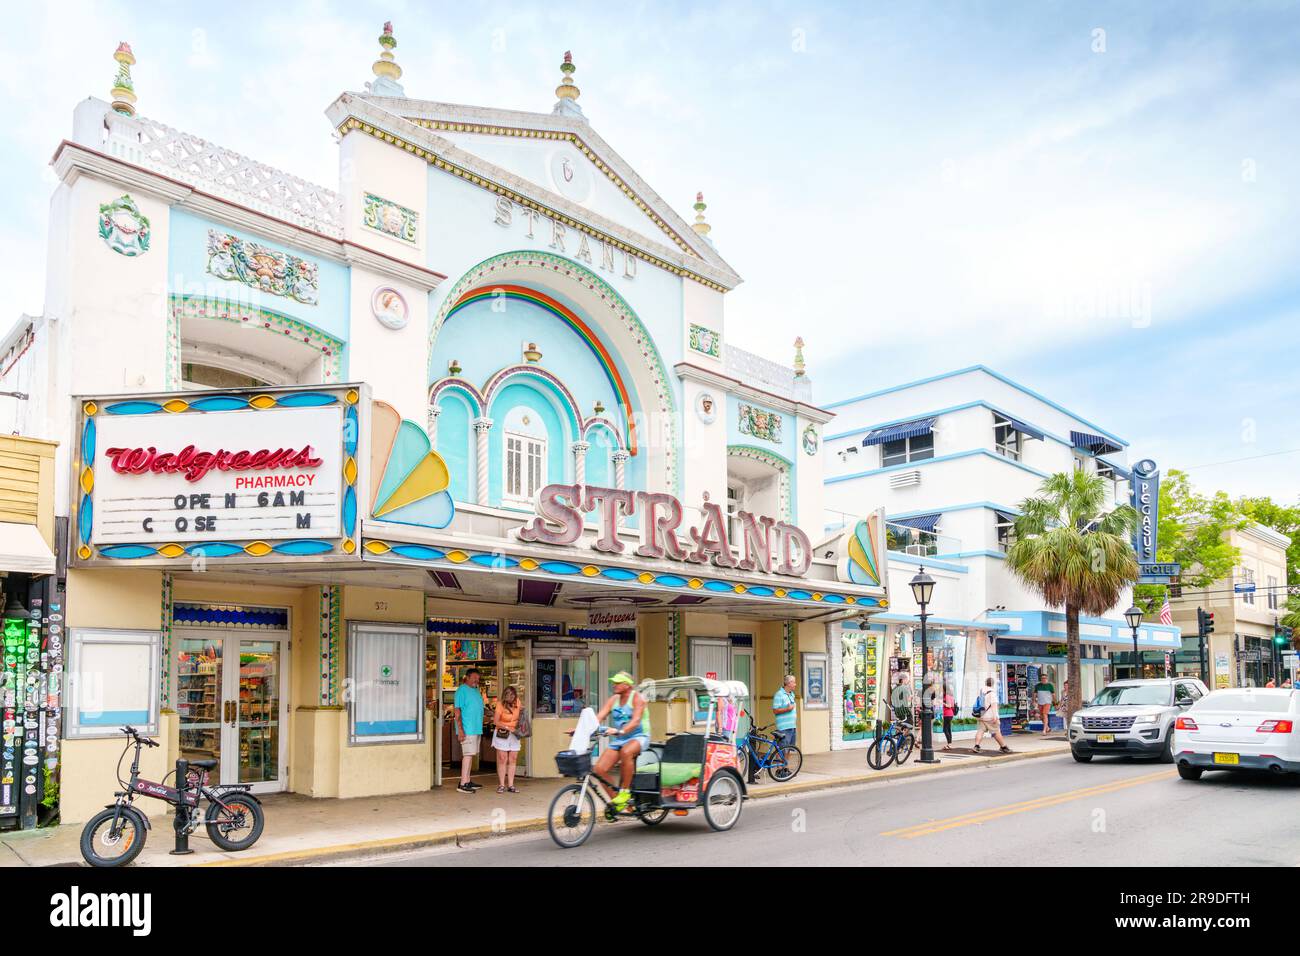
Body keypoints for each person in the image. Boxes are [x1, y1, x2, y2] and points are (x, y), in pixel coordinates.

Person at [592, 672, 650, 810]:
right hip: (621, 738)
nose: (614, 685)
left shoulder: (638, 698)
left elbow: (636, 721)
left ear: (627, 685)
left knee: (626, 752)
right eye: (614, 682)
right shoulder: (614, 700)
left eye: (618, 683)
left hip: (639, 736)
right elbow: (598, 717)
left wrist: (620, 731)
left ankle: (625, 792)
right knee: (599, 769)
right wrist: (580, 729)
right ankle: (617, 801)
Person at [453, 669, 487, 794]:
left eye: (478, 678)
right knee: (467, 755)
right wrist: (461, 730)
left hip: (476, 728)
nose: (476, 681)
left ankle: (467, 780)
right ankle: (462, 784)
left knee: (471, 754)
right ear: (467, 677)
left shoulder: (476, 690)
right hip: (467, 729)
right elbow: (457, 711)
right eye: (474, 678)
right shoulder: (461, 690)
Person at [492, 685, 523, 794]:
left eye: (513, 696)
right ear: (505, 696)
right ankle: (501, 784)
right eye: (509, 696)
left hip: (514, 733)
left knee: (513, 758)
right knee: (502, 758)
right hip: (502, 733)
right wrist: (507, 727)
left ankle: (511, 785)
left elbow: (520, 717)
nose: (512, 698)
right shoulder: (500, 705)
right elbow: (496, 721)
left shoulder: (518, 703)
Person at [972, 676, 1012, 754]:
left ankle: (976, 746)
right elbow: (994, 706)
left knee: (980, 731)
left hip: (981, 716)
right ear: (993, 684)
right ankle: (1003, 747)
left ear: (985, 683)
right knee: (996, 732)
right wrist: (995, 716)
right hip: (990, 717)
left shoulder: (981, 691)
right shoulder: (992, 693)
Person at [772, 675, 798, 749]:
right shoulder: (779, 694)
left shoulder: (792, 694)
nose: (795, 684)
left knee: (790, 748)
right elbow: (775, 710)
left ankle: (786, 761)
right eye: (794, 682)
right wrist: (787, 709)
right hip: (784, 728)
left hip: (792, 726)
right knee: (782, 749)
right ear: (789, 683)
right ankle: (779, 761)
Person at [1034, 672, 1055, 736]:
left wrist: (1054, 702)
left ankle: (1044, 730)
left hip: (1047, 702)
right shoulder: (1038, 685)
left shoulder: (1050, 685)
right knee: (1041, 716)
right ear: (1041, 679)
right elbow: (1035, 694)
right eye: (1042, 678)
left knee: (1044, 714)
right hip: (1040, 702)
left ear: (1047, 679)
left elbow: (1053, 695)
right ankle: (1047, 728)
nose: (1043, 679)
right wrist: (1034, 701)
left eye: (1045, 678)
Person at [941, 683, 956, 751]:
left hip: (947, 714)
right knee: (948, 729)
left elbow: (949, 705)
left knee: (945, 729)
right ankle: (949, 744)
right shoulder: (951, 695)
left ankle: (949, 744)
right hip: (950, 714)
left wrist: (942, 703)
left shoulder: (947, 696)